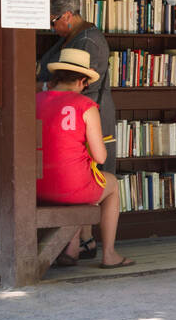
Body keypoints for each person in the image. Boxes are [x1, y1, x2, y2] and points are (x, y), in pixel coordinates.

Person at [36, 48, 132, 269]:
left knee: (82, 179)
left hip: (36, 186)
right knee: (109, 184)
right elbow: (99, 156)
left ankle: (71, 248)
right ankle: (109, 254)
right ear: (81, 81)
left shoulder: (35, 101)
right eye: (86, 83)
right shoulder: (86, 106)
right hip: (70, 187)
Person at [37, 0, 115, 259]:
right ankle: (83, 243)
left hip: (89, 120)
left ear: (68, 15)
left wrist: (46, 87)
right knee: (83, 175)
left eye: (53, 20)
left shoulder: (87, 42)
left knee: (89, 173)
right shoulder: (72, 37)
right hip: (78, 118)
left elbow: (78, 86)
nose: (51, 27)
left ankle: (84, 241)